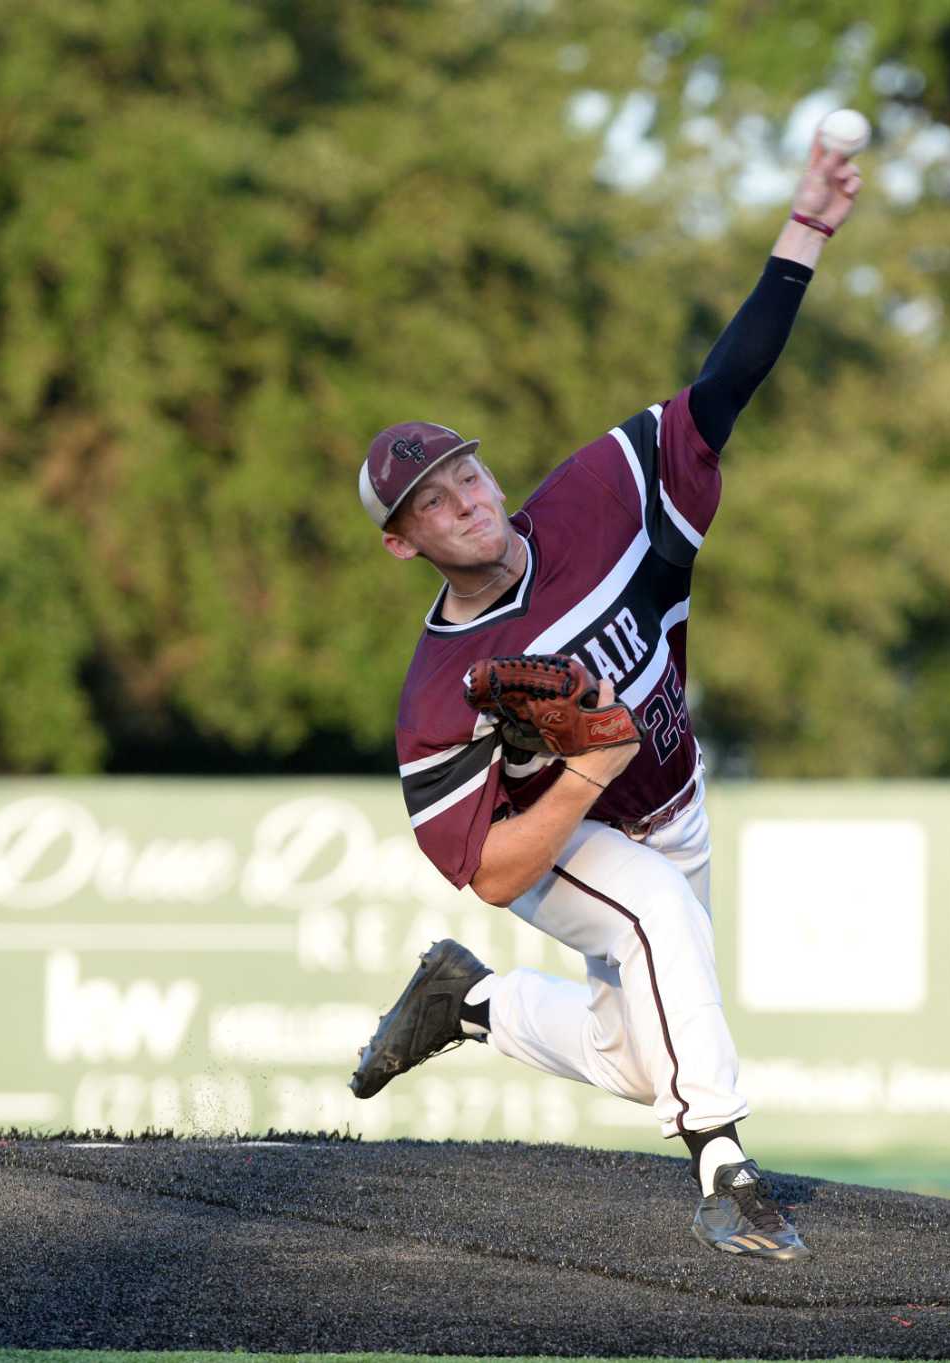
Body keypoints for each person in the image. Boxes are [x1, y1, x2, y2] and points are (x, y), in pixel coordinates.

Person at [344, 130, 864, 1263]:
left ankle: (467, 1004)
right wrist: (581, 771)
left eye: (466, 473)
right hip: (565, 837)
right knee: (655, 916)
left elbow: (722, 391)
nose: (465, 500)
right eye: (433, 502)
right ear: (403, 542)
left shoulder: (596, 498)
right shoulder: (440, 692)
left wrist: (806, 230)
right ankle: (726, 1171)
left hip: (676, 803)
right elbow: (493, 873)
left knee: (639, 1055)